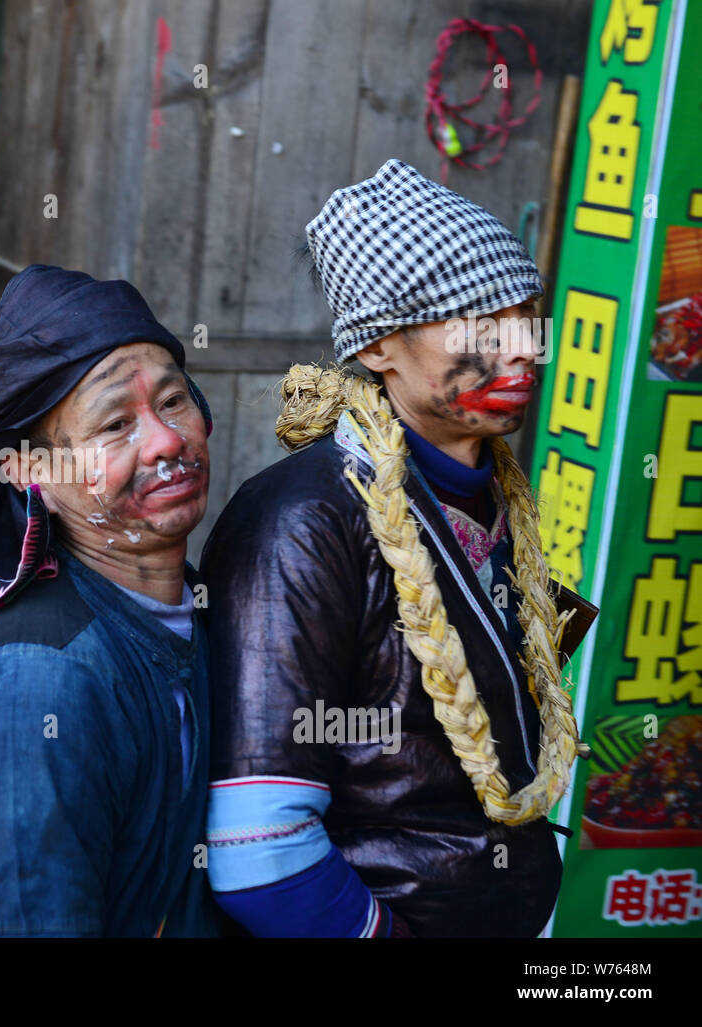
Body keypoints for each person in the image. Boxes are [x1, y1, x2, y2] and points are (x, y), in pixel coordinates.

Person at [201, 159, 585, 937]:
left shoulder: (493, 493)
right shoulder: (301, 524)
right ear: (377, 345)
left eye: (525, 316)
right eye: (476, 324)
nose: (519, 350)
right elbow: (260, 852)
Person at [0, 265, 219, 938]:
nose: (169, 440)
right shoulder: (39, 686)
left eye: (173, 401)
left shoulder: (198, 610)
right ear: (33, 470)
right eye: (116, 424)